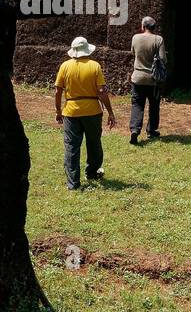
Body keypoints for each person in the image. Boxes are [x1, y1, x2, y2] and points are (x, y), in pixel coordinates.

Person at [54, 36, 117, 190]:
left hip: (70, 111)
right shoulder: (95, 66)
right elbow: (102, 92)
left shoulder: (65, 66)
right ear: (87, 50)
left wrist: (58, 110)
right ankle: (92, 172)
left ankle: (73, 183)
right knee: (94, 143)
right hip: (92, 111)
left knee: (71, 147)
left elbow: (58, 91)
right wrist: (110, 112)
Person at [129, 16, 167, 145]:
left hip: (137, 78)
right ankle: (152, 130)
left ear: (143, 26)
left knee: (137, 104)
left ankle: (134, 130)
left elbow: (133, 53)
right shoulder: (158, 39)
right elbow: (163, 59)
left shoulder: (135, 38)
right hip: (153, 80)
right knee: (154, 105)